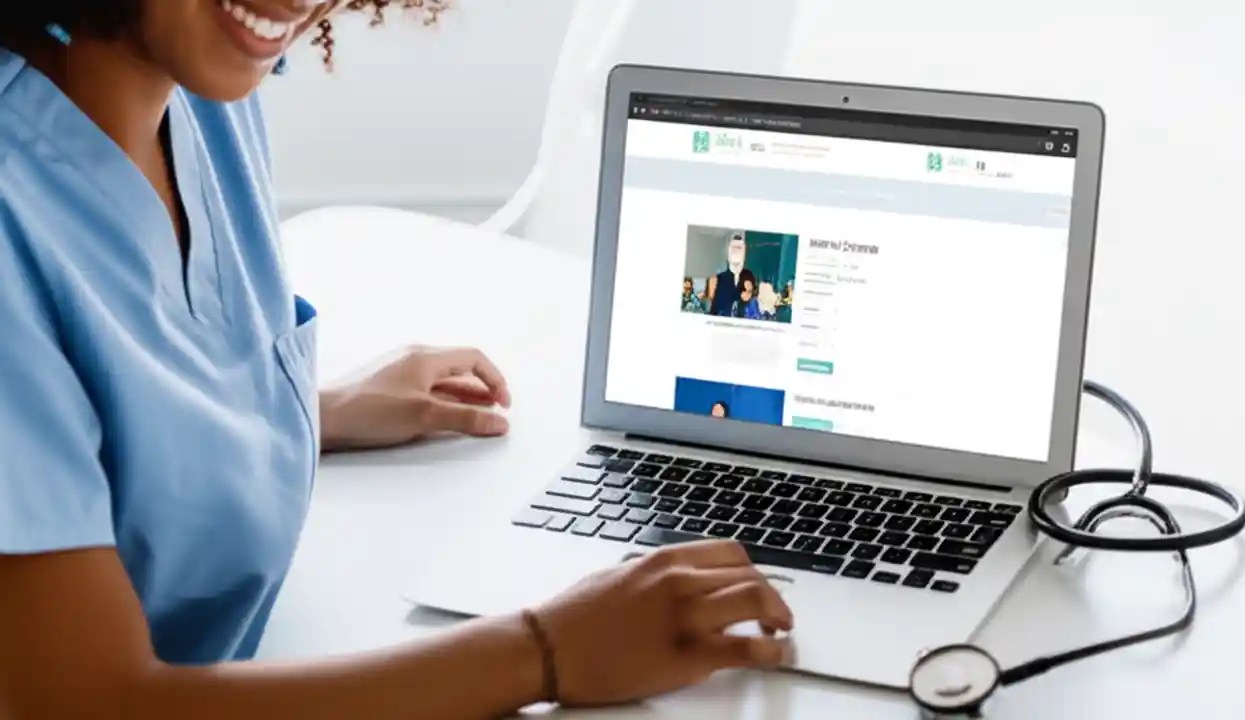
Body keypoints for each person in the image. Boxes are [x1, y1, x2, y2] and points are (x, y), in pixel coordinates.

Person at [0, 4, 793, 718]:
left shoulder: (202, 88)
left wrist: (301, 408)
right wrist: (546, 651)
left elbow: (111, 386)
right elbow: (87, 700)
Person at [707, 230, 749, 316]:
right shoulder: (716, 280)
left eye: (739, 248)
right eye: (733, 248)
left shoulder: (748, 279)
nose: (736, 252)